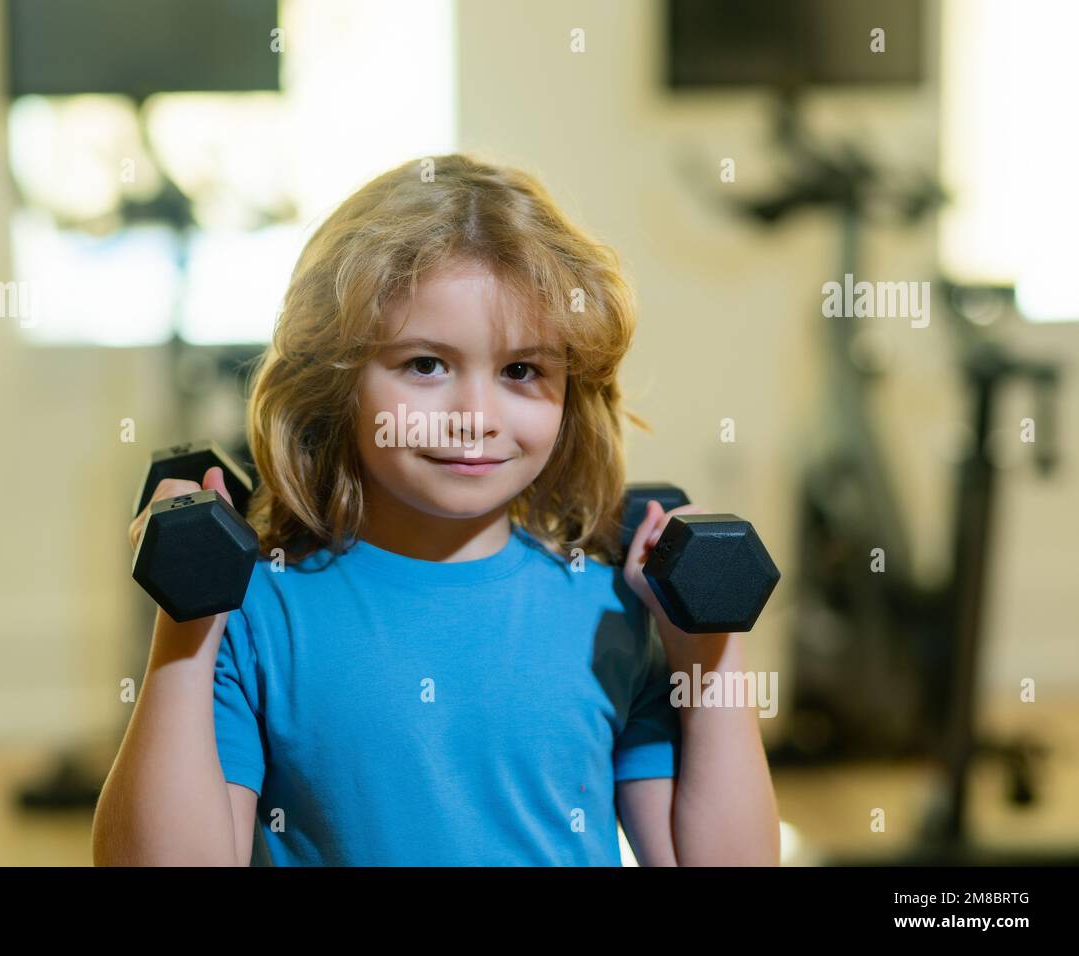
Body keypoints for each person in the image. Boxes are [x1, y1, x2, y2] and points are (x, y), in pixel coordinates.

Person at [93, 153, 780, 866]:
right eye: (425, 364)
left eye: (522, 370)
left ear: (570, 391)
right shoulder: (256, 612)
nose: (475, 417)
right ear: (335, 381)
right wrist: (185, 628)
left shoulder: (611, 611)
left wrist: (709, 655)